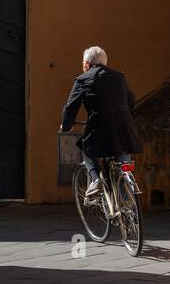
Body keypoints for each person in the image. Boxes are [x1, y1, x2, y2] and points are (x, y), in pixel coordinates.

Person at [59, 46, 141, 198]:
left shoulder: (83, 79)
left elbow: (71, 107)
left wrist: (66, 126)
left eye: (83, 63)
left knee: (85, 147)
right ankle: (128, 199)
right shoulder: (119, 76)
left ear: (87, 64)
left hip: (100, 127)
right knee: (123, 161)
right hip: (124, 127)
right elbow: (131, 100)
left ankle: (96, 180)